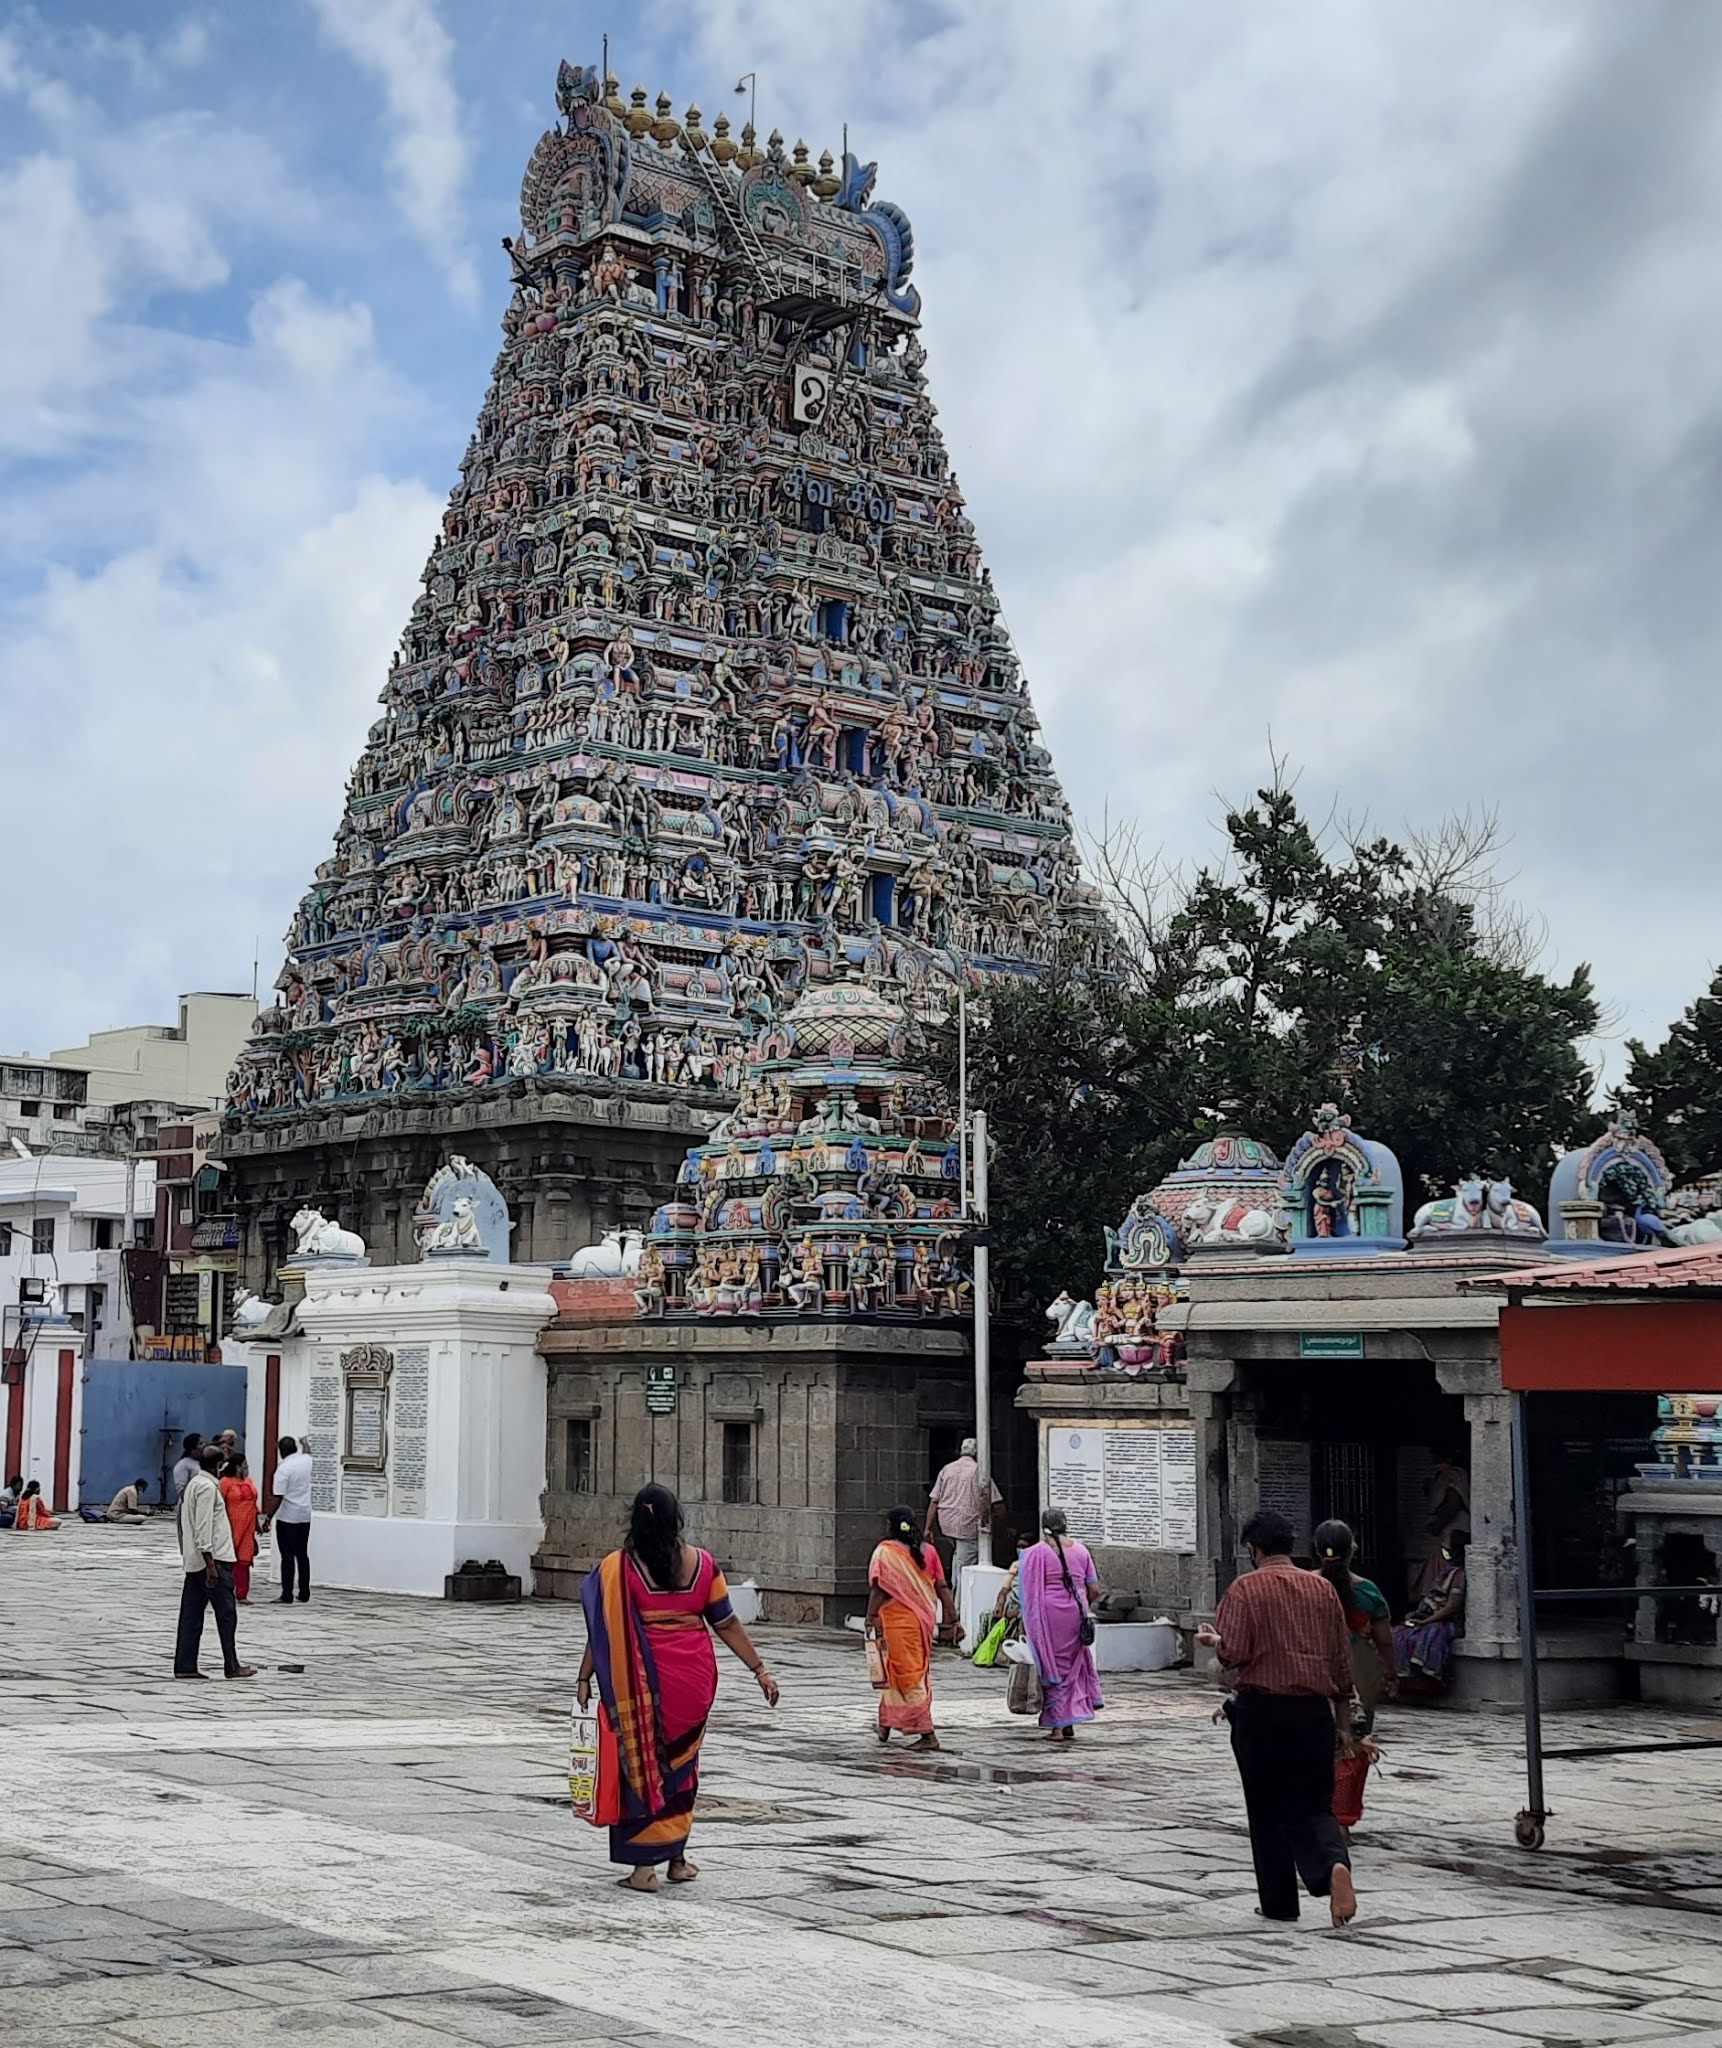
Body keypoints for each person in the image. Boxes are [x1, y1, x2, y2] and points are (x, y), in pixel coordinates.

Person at [576, 1484, 778, 1891]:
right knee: (682, 1767)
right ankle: (677, 1860)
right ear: (676, 1520)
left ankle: (642, 1869)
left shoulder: (620, 1569)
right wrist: (760, 1670)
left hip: (641, 1685)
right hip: (693, 1683)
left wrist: (584, 1676)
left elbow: (605, 1633)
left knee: (640, 1766)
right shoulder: (703, 1565)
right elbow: (727, 1623)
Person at [1197, 1508, 1358, 1928]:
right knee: (1314, 1803)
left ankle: (1279, 1903)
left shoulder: (1245, 1590)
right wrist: (1343, 1719)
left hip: (1261, 1711)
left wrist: (1215, 1640)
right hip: (1312, 1712)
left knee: (1266, 1808)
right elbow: (1342, 1661)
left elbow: (1235, 1654)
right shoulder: (1321, 1589)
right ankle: (1331, 1867)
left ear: (1254, 1548)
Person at [866, 1505, 963, 1752]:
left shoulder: (885, 1552)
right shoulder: (928, 1551)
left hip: (899, 1624)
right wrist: (954, 1619)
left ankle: (927, 1733)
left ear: (890, 1527)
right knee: (895, 1671)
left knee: (908, 1675)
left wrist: (869, 1617)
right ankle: (886, 1722)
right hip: (921, 1622)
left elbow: (879, 1590)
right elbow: (943, 1587)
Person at [1019, 1507, 1104, 1743]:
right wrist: (1082, 1603)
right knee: (1072, 1667)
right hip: (1076, 1614)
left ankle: (1057, 1726)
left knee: (1052, 1666)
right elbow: (1094, 1589)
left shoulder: (1036, 1553)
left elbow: (1027, 1590)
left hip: (1047, 1614)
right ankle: (1069, 1724)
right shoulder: (1081, 1550)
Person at [174, 1445, 254, 1680]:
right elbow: (203, 1526)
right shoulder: (208, 1488)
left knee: (191, 1615)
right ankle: (231, 1664)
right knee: (226, 1614)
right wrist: (211, 1564)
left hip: (194, 1561)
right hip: (213, 1561)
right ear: (219, 1465)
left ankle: (185, 1664)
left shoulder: (194, 1485)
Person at [1395, 1532, 1467, 1686]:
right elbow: (1430, 1600)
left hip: (1448, 1622)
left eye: (1447, 1549)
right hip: (1429, 1617)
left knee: (1432, 1632)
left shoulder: (1459, 1575)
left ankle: (1427, 1675)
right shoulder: (1445, 1572)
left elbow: (1452, 1607)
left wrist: (1427, 1620)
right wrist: (1417, 1615)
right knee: (1398, 1634)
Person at [924, 1437, 1003, 1576]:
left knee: (959, 1557)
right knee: (965, 1566)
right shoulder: (979, 1471)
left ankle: (955, 1590)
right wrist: (1003, 1524)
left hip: (947, 1524)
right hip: (968, 1525)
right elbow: (996, 1503)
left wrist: (928, 1528)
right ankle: (959, 1595)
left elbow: (934, 1501)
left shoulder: (947, 1469)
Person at [266, 1435, 313, 1603]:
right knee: (302, 1554)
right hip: (305, 1514)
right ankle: (304, 1591)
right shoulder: (306, 1461)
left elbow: (278, 1497)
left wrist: (267, 1518)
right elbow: (308, 1452)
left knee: (287, 1555)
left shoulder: (283, 1469)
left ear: (281, 1451)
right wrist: (305, 1443)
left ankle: (287, 1593)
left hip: (287, 1516)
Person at [219, 1456, 259, 1602]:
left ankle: (242, 1594)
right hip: (230, 1526)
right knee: (227, 1559)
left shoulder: (248, 1481)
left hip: (248, 1527)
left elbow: (253, 1504)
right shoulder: (225, 1483)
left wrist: (258, 1524)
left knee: (244, 1560)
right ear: (236, 1466)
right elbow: (220, 1504)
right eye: (243, 1465)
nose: (246, 1467)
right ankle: (224, 1591)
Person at [171, 1434, 204, 1501]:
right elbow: (182, 1493)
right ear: (192, 1449)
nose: (204, 1445)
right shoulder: (182, 1465)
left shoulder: (204, 1462)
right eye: (200, 1443)